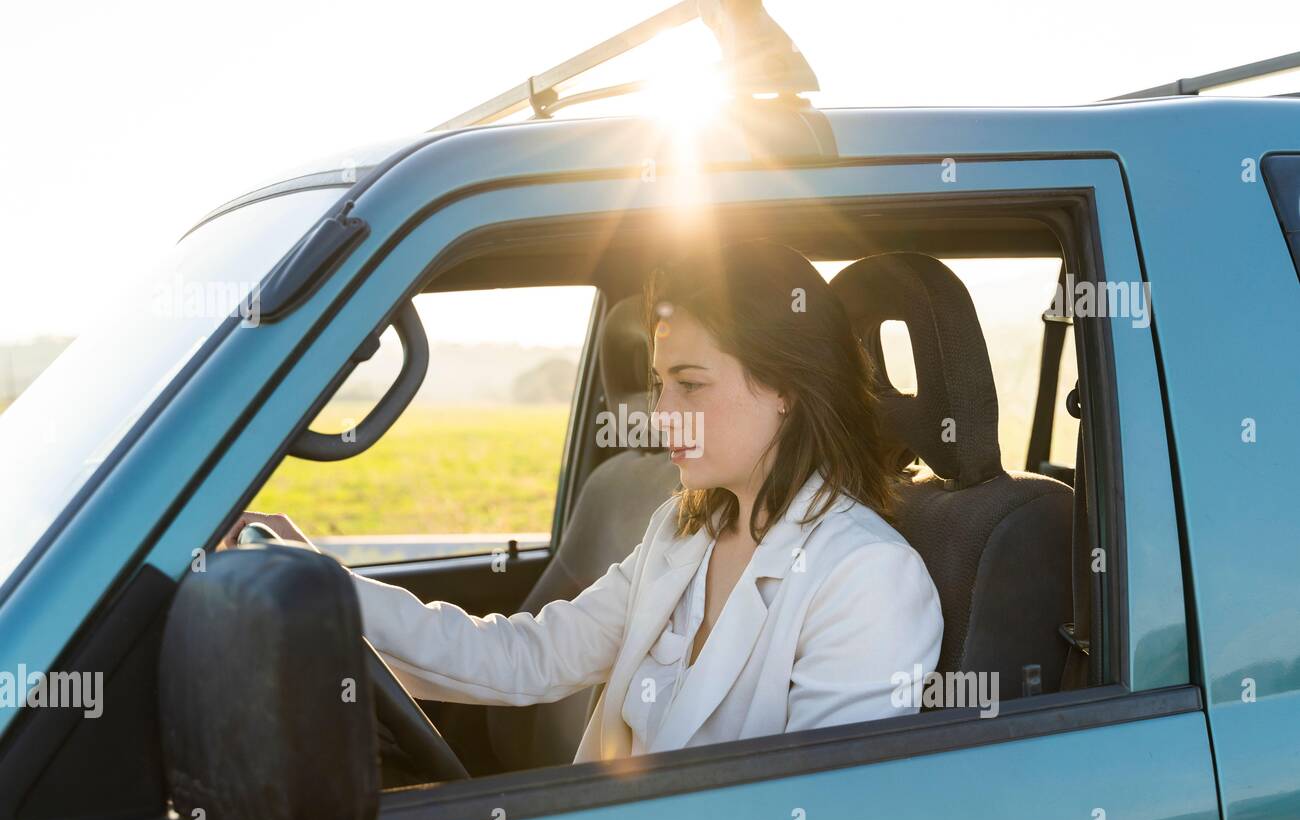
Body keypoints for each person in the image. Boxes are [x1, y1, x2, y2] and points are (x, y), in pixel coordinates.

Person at [220, 239, 943, 764]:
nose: (662, 414)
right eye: (660, 384)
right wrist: (323, 587)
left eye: (690, 384)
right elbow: (525, 658)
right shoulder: (682, 531)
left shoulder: (867, 579)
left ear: (787, 386)